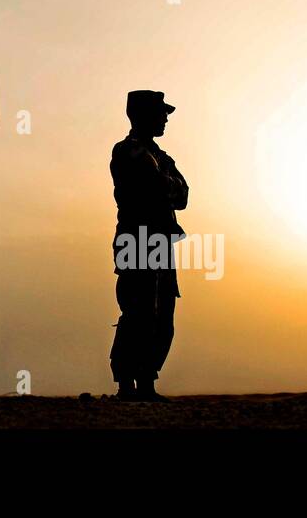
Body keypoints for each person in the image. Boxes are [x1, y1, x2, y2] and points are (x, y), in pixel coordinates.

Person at [108, 90, 188, 401]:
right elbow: (153, 186)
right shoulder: (126, 151)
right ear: (142, 116)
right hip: (136, 236)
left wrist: (162, 183)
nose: (166, 119)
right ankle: (127, 384)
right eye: (160, 113)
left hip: (160, 240)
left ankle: (147, 381)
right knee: (139, 309)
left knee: (162, 312)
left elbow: (183, 196)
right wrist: (163, 185)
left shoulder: (161, 157)